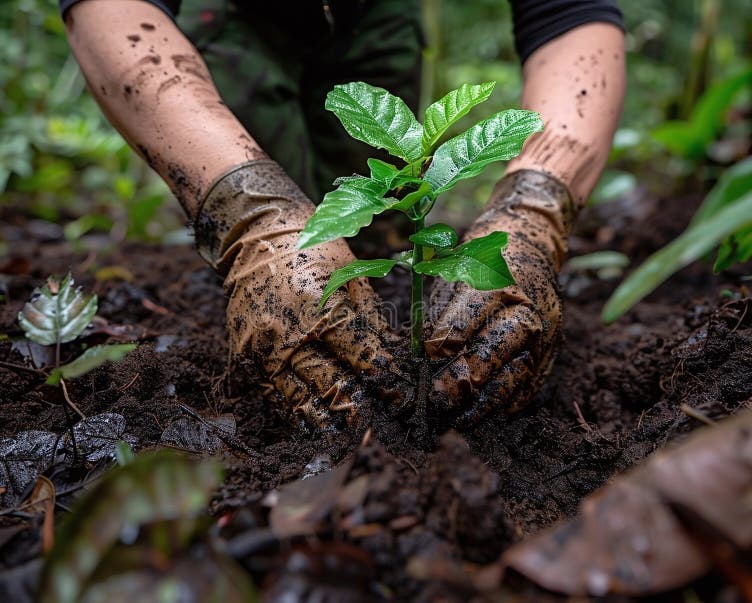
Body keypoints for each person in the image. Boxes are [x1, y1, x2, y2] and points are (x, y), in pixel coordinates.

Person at [60, 0, 625, 430]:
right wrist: (252, 217)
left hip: (369, 12)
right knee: (289, 241)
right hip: (233, 12)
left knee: (373, 234)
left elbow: (572, 13)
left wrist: (531, 213)